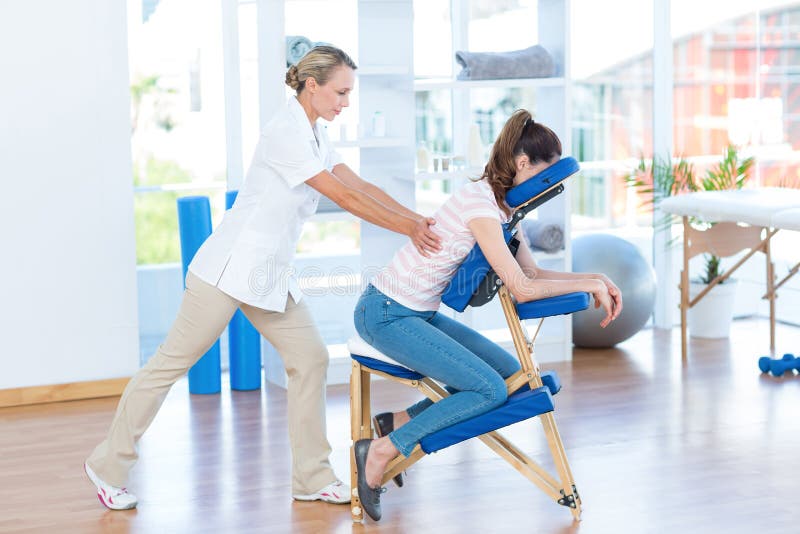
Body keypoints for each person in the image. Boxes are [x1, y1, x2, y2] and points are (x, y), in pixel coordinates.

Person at [84, 45, 442, 510]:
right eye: (340, 92)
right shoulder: (284, 133)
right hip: (228, 268)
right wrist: (409, 230)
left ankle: (311, 476)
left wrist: (420, 220)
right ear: (311, 86)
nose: (345, 103)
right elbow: (344, 199)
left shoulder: (314, 133)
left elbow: (359, 185)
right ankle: (107, 464)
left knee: (310, 358)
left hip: (267, 273)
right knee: (169, 364)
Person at [351, 110, 623, 520]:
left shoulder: (505, 211)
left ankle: (396, 422)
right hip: (386, 313)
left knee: (511, 380)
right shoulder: (480, 206)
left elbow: (531, 273)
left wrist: (595, 276)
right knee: (488, 390)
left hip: (417, 315)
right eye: (545, 176)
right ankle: (382, 450)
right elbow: (522, 287)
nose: (547, 189)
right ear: (522, 164)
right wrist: (588, 286)